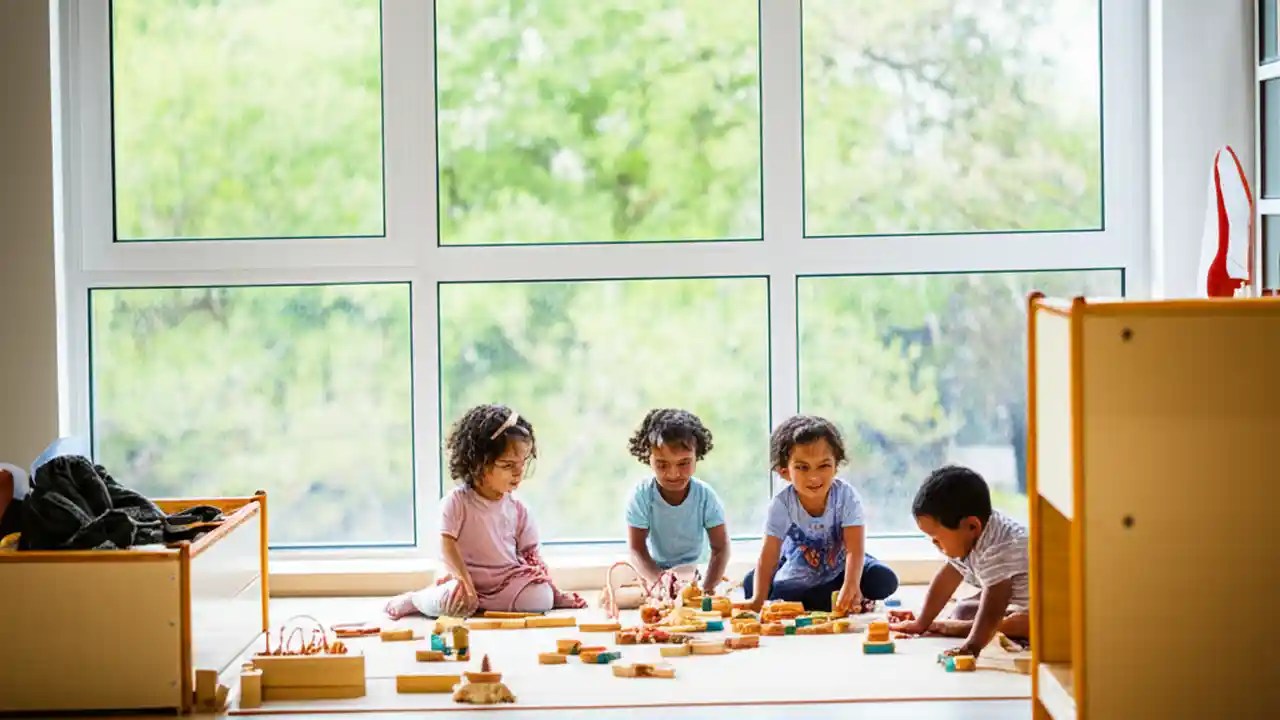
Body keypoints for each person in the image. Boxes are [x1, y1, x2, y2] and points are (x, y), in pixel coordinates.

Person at [384, 404, 583, 619]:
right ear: (479, 464)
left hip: (506, 582)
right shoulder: (457, 502)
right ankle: (416, 600)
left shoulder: (518, 509)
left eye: (522, 463)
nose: (518, 473)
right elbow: (447, 546)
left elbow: (531, 557)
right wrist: (464, 581)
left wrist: (554, 592)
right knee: (448, 599)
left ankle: (478, 604)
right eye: (508, 465)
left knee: (541, 598)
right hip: (464, 579)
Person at [744, 415, 898, 613]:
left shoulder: (846, 496)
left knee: (884, 580)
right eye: (802, 467)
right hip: (800, 570)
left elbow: (854, 550)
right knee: (757, 587)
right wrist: (758, 599)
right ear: (785, 472)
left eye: (823, 466)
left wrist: (851, 585)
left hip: (843, 566)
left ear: (836, 466)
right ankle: (825, 598)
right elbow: (769, 555)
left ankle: (848, 595)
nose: (814, 476)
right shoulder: (782, 504)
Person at [888, 465, 1030, 657]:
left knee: (989, 620)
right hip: (1015, 600)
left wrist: (971, 647)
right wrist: (921, 623)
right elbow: (948, 578)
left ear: (972, 526)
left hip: (1054, 608)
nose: (934, 544)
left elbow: (993, 607)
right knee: (964, 610)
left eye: (937, 538)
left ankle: (1018, 624)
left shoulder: (999, 550)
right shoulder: (970, 536)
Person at [623, 408, 729, 595]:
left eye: (684, 463)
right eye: (662, 464)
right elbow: (637, 549)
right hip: (653, 574)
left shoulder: (705, 496)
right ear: (649, 457)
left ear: (697, 456)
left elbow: (721, 548)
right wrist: (659, 581)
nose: (673, 474)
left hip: (693, 574)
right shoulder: (642, 496)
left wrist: (707, 587)